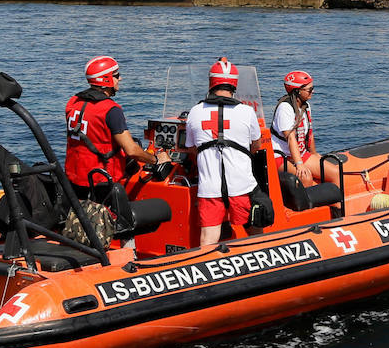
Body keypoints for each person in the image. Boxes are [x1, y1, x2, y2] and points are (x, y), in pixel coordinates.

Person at [65, 55, 169, 202]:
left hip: (75, 179)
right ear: (106, 79)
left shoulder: (73, 102)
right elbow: (131, 150)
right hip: (101, 183)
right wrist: (156, 159)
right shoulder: (111, 110)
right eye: (116, 75)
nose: (120, 79)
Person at [185, 57, 264, 245]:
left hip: (209, 188)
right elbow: (256, 145)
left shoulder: (195, 111)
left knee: (208, 238)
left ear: (211, 82)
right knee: (254, 230)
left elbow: (191, 148)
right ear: (234, 84)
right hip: (242, 186)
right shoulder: (246, 112)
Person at [272, 70, 321, 186]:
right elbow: (290, 138)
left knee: (334, 172)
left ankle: (336, 203)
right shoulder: (285, 108)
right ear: (298, 91)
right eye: (309, 89)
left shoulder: (306, 106)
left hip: (300, 152)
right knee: (306, 179)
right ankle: (308, 203)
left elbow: (309, 133)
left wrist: (314, 154)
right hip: (281, 155)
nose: (313, 91)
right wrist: (299, 164)